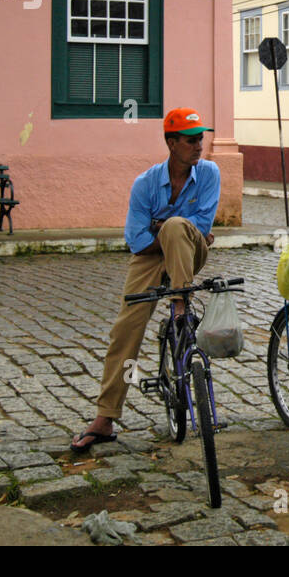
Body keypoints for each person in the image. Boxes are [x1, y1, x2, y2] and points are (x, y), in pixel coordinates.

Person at [72, 107, 220, 451]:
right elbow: (137, 239)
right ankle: (105, 418)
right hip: (150, 259)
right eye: (190, 140)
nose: (199, 145)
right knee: (126, 329)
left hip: (189, 253)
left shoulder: (210, 173)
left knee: (174, 227)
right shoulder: (145, 184)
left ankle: (180, 303)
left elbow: (201, 226)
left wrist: (165, 225)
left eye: (200, 138)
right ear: (171, 143)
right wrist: (171, 232)